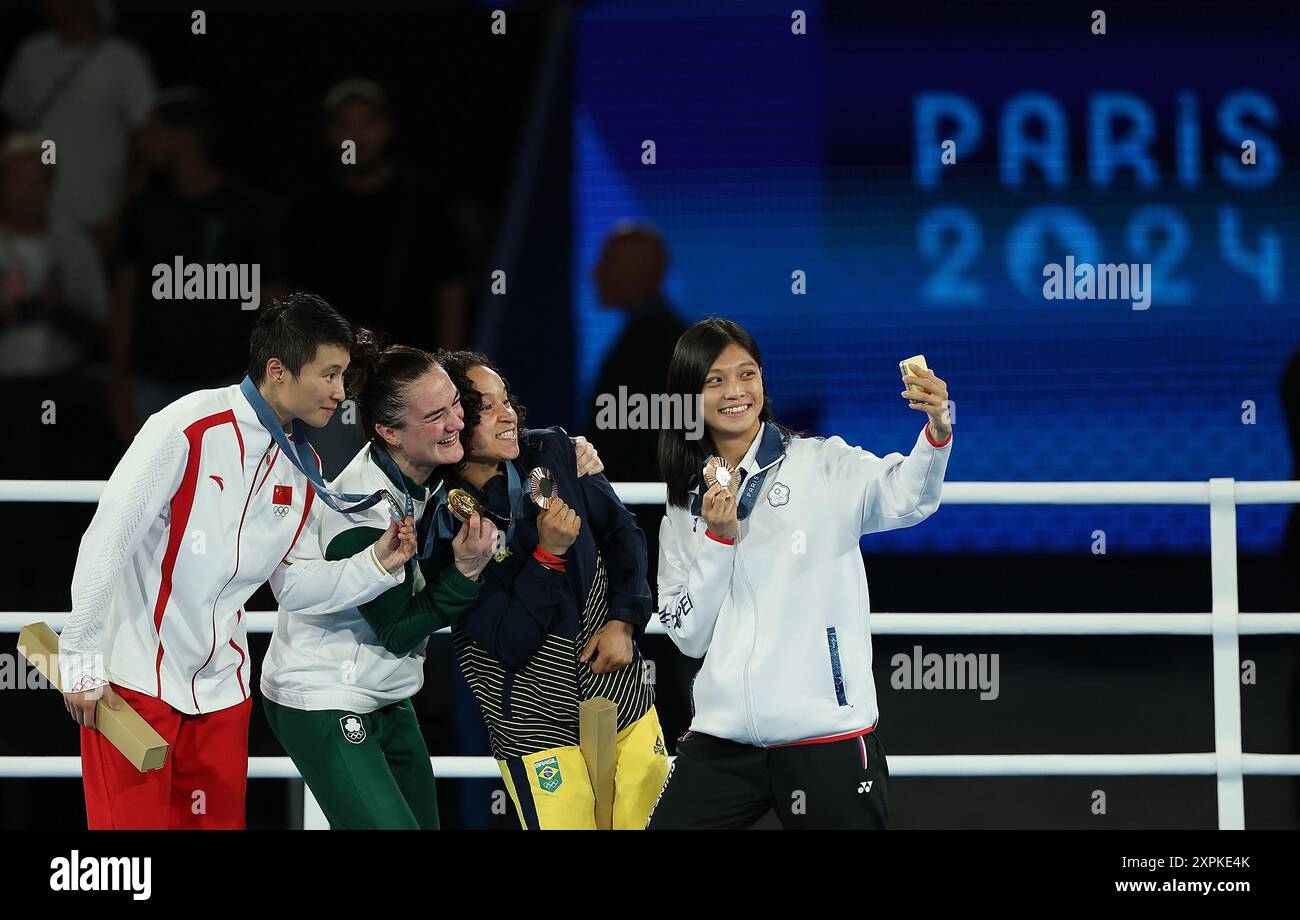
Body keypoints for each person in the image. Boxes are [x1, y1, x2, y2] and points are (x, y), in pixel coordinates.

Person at [58, 292, 417, 830]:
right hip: (131, 682)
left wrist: (375, 564)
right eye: (330, 374)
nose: (341, 393)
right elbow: (106, 538)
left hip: (223, 694)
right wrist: (81, 659)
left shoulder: (303, 465)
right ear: (278, 370)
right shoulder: (186, 427)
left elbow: (293, 587)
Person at [259, 335, 605, 829]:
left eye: (455, 406)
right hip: (323, 700)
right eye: (436, 416)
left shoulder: (432, 475)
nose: (456, 422)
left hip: (388, 695)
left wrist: (568, 449)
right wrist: (465, 573)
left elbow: (503, 447)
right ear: (389, 433)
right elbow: (399, 631)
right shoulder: (361, 514)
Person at [646, 318, 953, 829]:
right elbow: (688, 636)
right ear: (688, 399)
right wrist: (719, 541)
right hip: (723, 739)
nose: (735, 391)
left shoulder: (822, 464)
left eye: (746, 374)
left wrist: (937, 430)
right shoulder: (684, 504)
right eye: (714, 381)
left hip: (824, 733)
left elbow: (907, 495)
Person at [431, 350, 669, 829]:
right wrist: (548, 554)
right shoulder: (441, 520)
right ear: (452, 420)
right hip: (537, 728)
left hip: (621, 697)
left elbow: (624, 533)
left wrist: (624, 622)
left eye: (507, 402)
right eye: (486, 408)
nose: (508, 417)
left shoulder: (553, 451)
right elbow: (508, 641)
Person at [0, 0, 155, 239]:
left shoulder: (123, 59)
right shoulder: (31, 52)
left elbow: (149, 142)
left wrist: (122, 214)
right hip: (33, 214)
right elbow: (15, 129)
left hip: (96, 217)